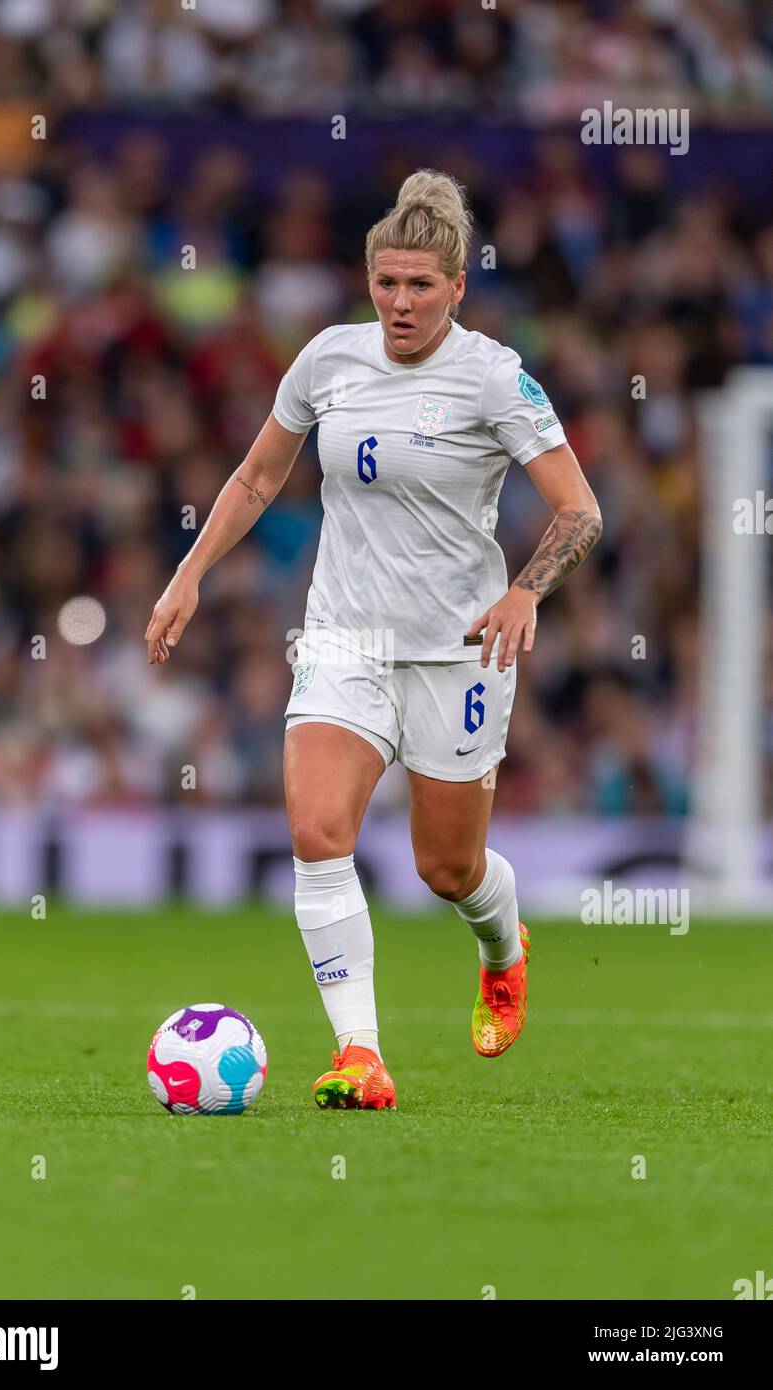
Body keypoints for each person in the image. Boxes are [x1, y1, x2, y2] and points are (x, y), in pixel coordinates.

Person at [145, 169, 602, 1110]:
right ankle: (362, 1055)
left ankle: (503, 949)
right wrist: (190, 573)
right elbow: (256, 477)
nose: (400, 303)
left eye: (420, 287)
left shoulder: (493, 376)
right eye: (386, 284)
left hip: (456, 650)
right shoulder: (326, 361)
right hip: (343, 638)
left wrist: (524, 591)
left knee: (449, 869)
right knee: (317, 831)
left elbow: (580, 509)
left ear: (457, 288)